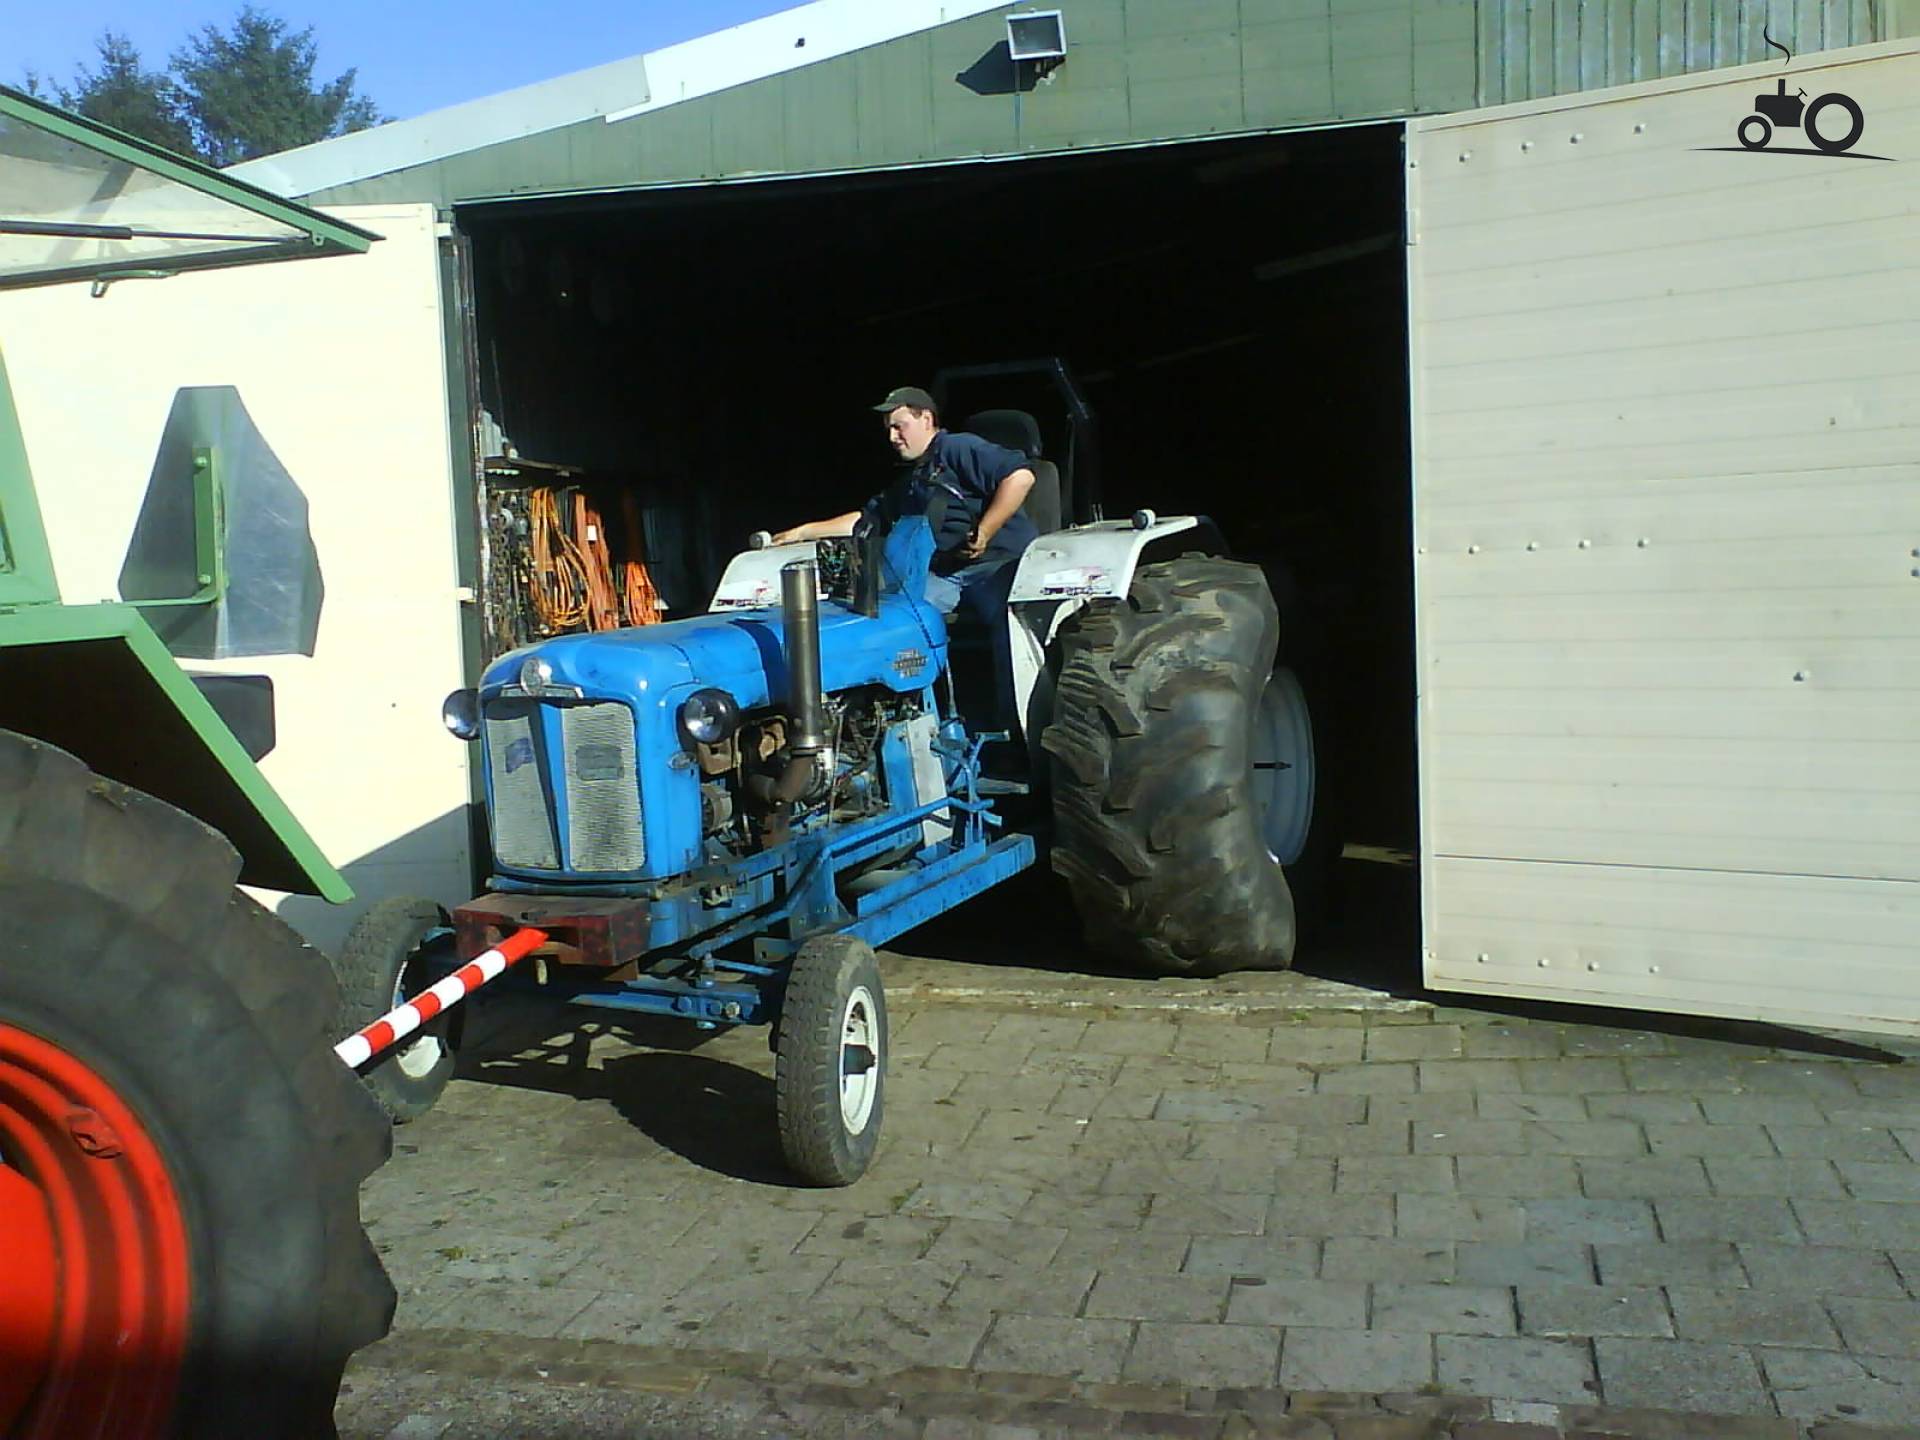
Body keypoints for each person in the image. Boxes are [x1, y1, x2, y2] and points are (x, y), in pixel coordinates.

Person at [770, 386, 1038, 620]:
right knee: (896, 617)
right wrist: (803, 532)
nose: (892, 437)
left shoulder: (958, 448)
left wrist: (985, 531)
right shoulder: (912, 481)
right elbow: (866, 520)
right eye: (888, 430)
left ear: (926, 418)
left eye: (900, 426)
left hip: (997, 565)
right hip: (946, 574)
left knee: (1010, 619)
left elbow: (1020, 477)